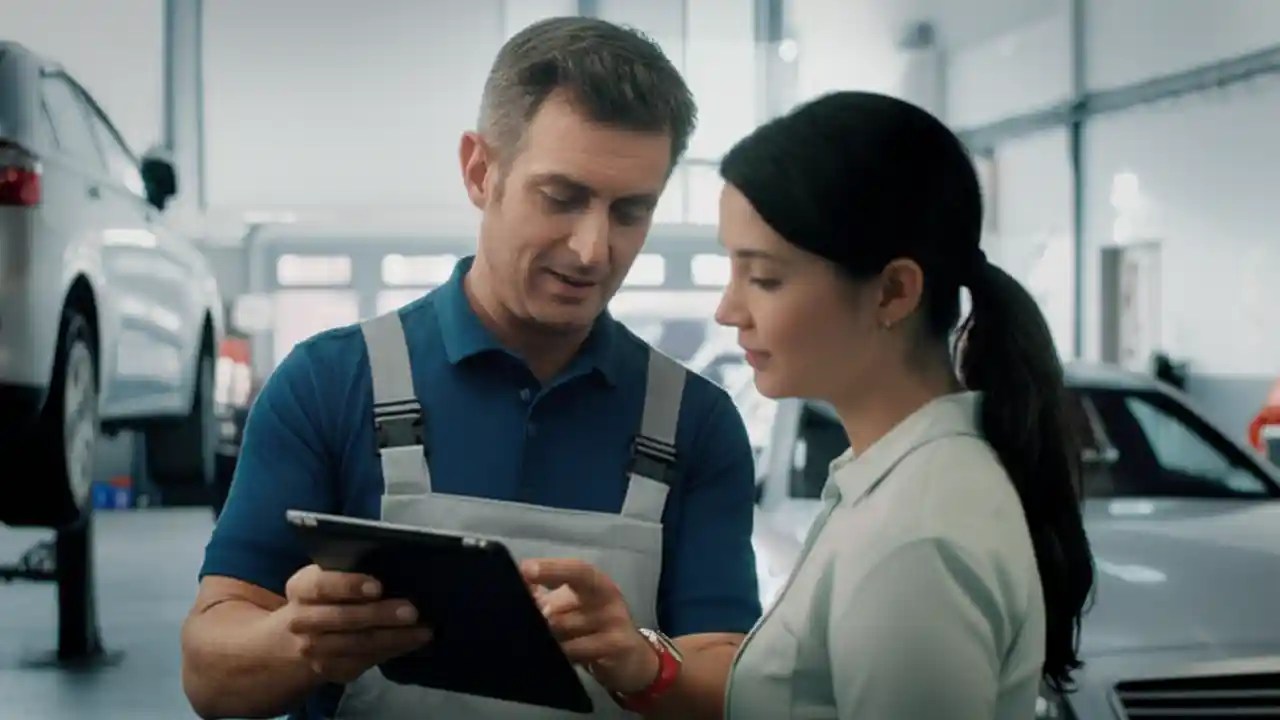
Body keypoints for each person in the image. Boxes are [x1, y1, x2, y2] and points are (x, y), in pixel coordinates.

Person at [180, 16, 760, 720]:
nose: (591, 249)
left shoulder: (693, 423)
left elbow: (730, 684)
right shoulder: (328, 385)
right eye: (562, 198)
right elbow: (209, 674)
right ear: (480, 171)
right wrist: (294, 640)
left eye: (629, 211)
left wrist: (645, 665)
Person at [713, 91, 1096, 719]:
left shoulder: (913, 538)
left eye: (764, 278)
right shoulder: (903, 481)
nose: (728, 310)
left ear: (892, 292)